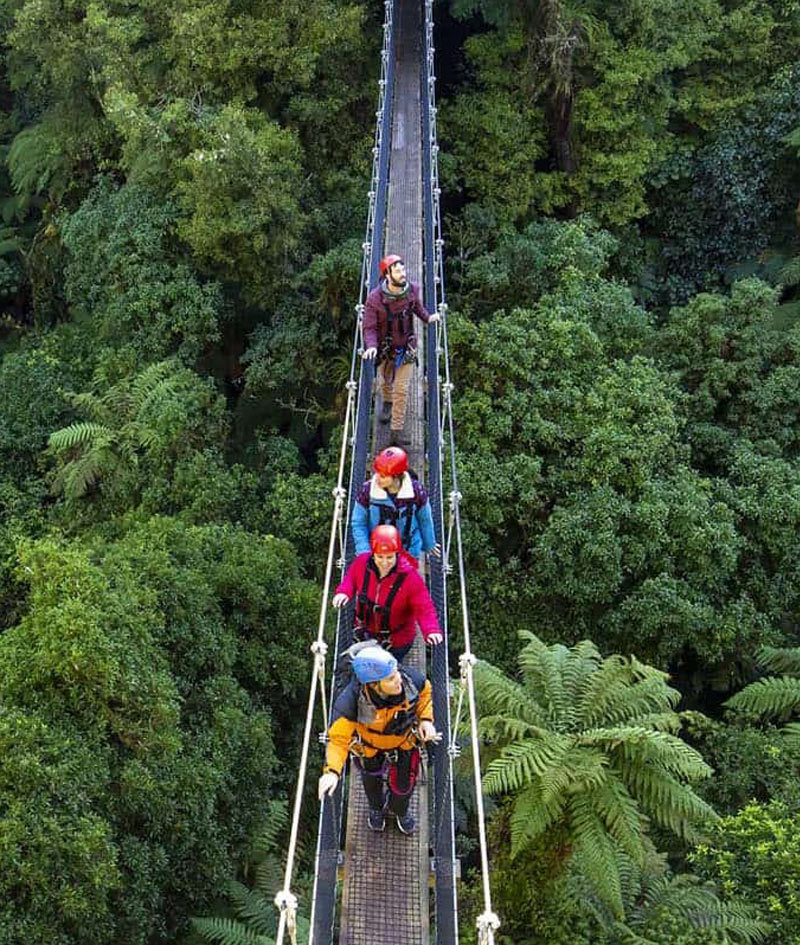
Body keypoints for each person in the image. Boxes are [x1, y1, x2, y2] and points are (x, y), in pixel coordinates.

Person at [317, 644, 440, 834]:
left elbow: (425, 695)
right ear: (373, 685)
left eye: (396, 671)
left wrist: (426, 721)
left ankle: (400, 810)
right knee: (371, 782)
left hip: (404, 742)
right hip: (369, 747)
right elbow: (338, 740)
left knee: (404, 786)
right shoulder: (351, 702)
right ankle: (376, 808)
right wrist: (332, 772)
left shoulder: (411, 680)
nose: (398, 678)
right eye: (391, 678)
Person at [332, 524, 443, 661]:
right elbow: (350, 580)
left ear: (397, 553)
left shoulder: (410, 577)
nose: (384, 562)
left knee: (387, 676)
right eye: (380, 557)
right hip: (366, 634)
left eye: (390, 557)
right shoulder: (361, 563)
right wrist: (343, 592)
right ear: (373, 554)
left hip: (396, 641)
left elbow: (424, 607)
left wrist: (431, 630)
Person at [362, 254, 440, 446]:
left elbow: (417, 309)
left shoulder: (412, 290)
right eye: (397, 271)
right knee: (385, 382)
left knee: (401, 390)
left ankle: (394, 435)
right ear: (387, 275)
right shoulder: (375, 299)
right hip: (384, 349)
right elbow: (369, 327)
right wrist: (371, 346)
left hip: (407, 348)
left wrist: (428, 318)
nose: (402, 273)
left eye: (403, 269)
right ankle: (387, 402)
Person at [352, 446, 440, 567]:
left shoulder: (416, 491)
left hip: (408, 548)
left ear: (396, 476)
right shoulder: (368, 490)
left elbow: (424, 519)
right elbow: (358, 522)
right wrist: (364, 551)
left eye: (383, 476)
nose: (377, 478)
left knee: (406, 582)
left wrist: (429, 543)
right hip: (380, 552)